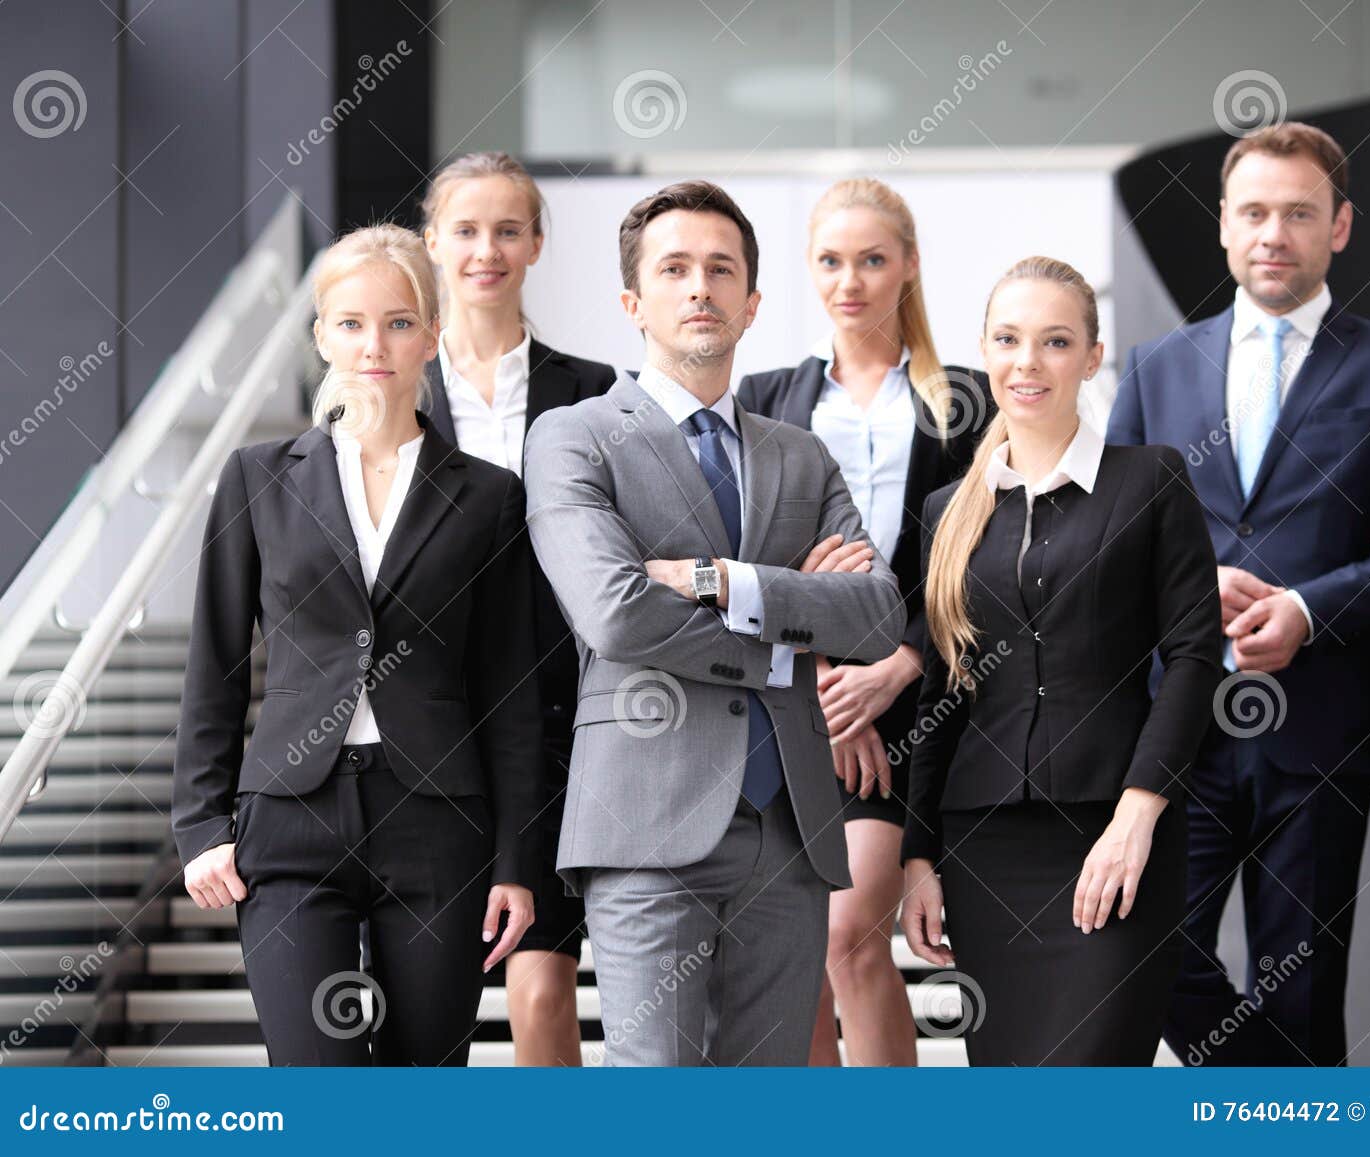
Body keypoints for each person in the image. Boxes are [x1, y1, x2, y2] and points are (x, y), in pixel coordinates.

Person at [1107, 121, 1370, 1066]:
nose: (1275, 232)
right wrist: (1186, 586)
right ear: (1225, 226)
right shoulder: (1157, 366)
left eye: (1300, 213)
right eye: (1256, 212)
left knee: (1303, 993)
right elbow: (1109, 547)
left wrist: (1310, 609)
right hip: (1175, 733)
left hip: (1315, 733)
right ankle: (1279, 1099)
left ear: (1339, 227)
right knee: (1147, 961)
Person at [523, 180, 907, 1066]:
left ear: (752, 303)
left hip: (790, 829)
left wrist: (719, 581)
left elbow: (878, 613)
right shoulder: (572, 436)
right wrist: (788, 642)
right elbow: (616, 613)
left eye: (721, 269)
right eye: (676, 268)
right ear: (633, 301)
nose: (701, 286)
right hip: (645, 821)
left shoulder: (800, 453)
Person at [172, 224, 543, 1066]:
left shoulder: (488, 495)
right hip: (291, 822)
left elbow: (510, 688)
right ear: (320, 337)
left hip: (439, 823)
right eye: (350, 323)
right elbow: (216, 667)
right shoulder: (258, 478)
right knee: (317, 1078)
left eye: (400, 322)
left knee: (423, 1081)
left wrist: (518, 858)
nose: (374, 345)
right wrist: (200, 826)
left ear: (434, 334)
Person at [899, 256, 1221, 1066]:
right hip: (985, 850)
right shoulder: (949, 510)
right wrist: (916, 856)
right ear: (983, 348)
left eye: (1054, 341)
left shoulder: (1150, 480)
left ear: (1091, 354)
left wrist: (1137, 814)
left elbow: (1192, 655)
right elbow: (943, 691)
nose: (1027, 362)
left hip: (1116, 832)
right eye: (1008, 339)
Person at [738, 177, 989, 1066]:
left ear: (909, 267)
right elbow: (751, 560)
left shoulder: (970, 402)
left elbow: (985, 560)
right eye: (832, 261)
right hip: (800, 699)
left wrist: (902, 660)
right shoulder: (764, 396)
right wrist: (820, 681)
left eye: (874, 260)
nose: (852, 281)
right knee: (798, 953)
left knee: (849, 937)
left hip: (927, 698)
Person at [420, 151, 613, 1067]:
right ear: (433, 243)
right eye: (464, 229)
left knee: (541, 991)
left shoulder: (594, 388)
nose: (486, 250)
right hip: (433, 726)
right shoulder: (389, 390)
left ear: (536, 243)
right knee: (435, 1000)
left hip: (560, 722)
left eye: (507, 229)